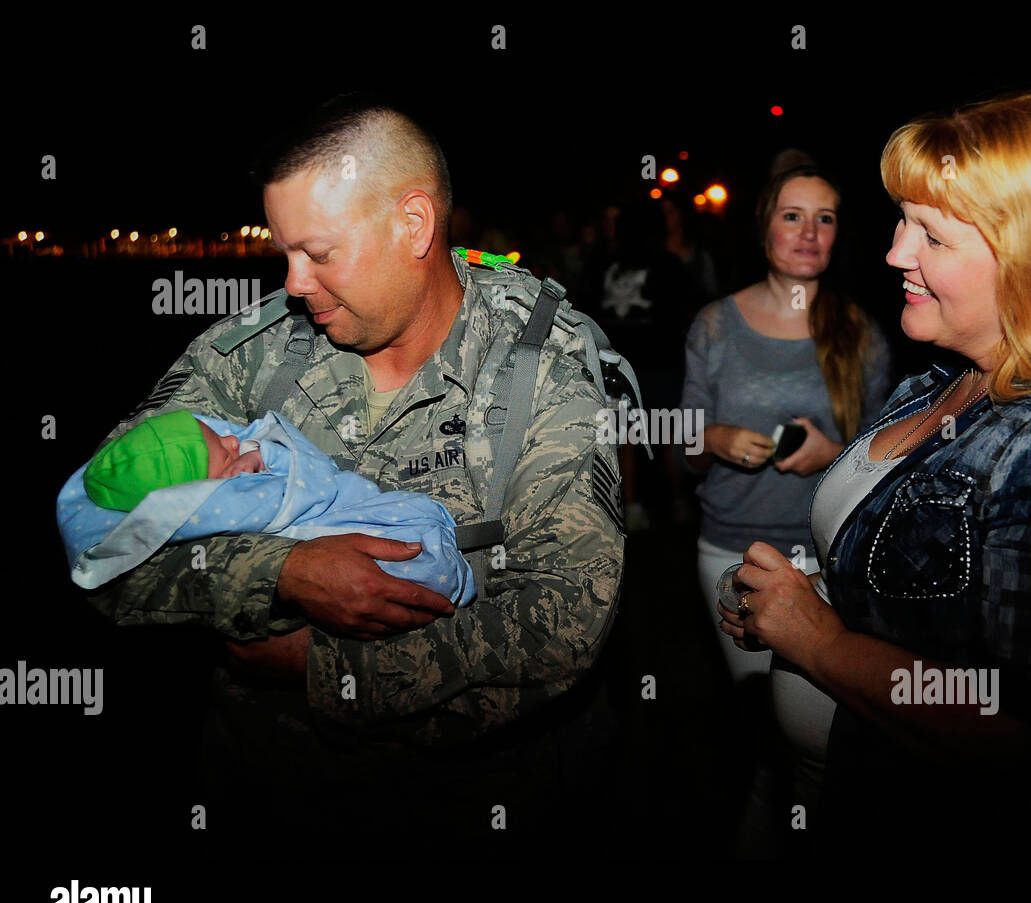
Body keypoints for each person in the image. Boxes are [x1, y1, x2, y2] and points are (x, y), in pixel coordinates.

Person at [82, 95, 625, 848]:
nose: (295, 284)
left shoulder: (545, 374)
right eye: (286, 254)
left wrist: (322, 666)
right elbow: (96, 533)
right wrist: (279, 572)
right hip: (271, 798)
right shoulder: (249, 358)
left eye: (320, 253)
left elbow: (568, 619)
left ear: (413, 225)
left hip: (487, 805)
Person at [718, 93, 1031, 847]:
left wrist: (818, 641)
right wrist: (807, 600)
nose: (894, 253)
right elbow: (943, 592)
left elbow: (1028, 733)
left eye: (933, 236)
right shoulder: (940, 380)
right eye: (901, 220)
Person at [681, 163, 893, 848]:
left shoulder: (862, 333)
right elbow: (677, 447)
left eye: (825, 217)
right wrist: (709, 436)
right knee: (770, 726)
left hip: (831, 560)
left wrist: (836, 451)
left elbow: (889, 469)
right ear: (764, 226)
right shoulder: (714, 325)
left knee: (827, 733)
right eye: (793, 215)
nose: (809, 232)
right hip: (735, 551)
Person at [58, 409, 473, 606]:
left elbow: (310, 474)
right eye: (221, 451)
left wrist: (262, 457)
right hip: (335, 531)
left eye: (221, 435)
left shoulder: (230, 459)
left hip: (352, 504)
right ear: (198, 491)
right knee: (411, 552)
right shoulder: (218, 503)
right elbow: (279, 504)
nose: (234, 442)